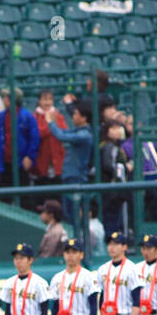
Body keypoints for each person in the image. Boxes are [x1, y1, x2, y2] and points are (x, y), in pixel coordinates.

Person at [49, 96, 93, 235]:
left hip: (76, 178)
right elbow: (62, 133)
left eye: (76, 114)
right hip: (68, 177)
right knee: (68, 214)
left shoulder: (85, 135)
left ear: (84, 118)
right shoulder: (77, 131)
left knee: (75, 215)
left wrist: (50, 121)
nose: (73, 116)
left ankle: (82, 247)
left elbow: (61, 136)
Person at [0, 88, 40, 192]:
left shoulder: (27, 117)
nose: (3, 100)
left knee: (24, 195)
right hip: (4, 163)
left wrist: (30, 157)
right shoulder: (0, 117)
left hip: (21, 163)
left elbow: (34, 138)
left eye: (5, 98)